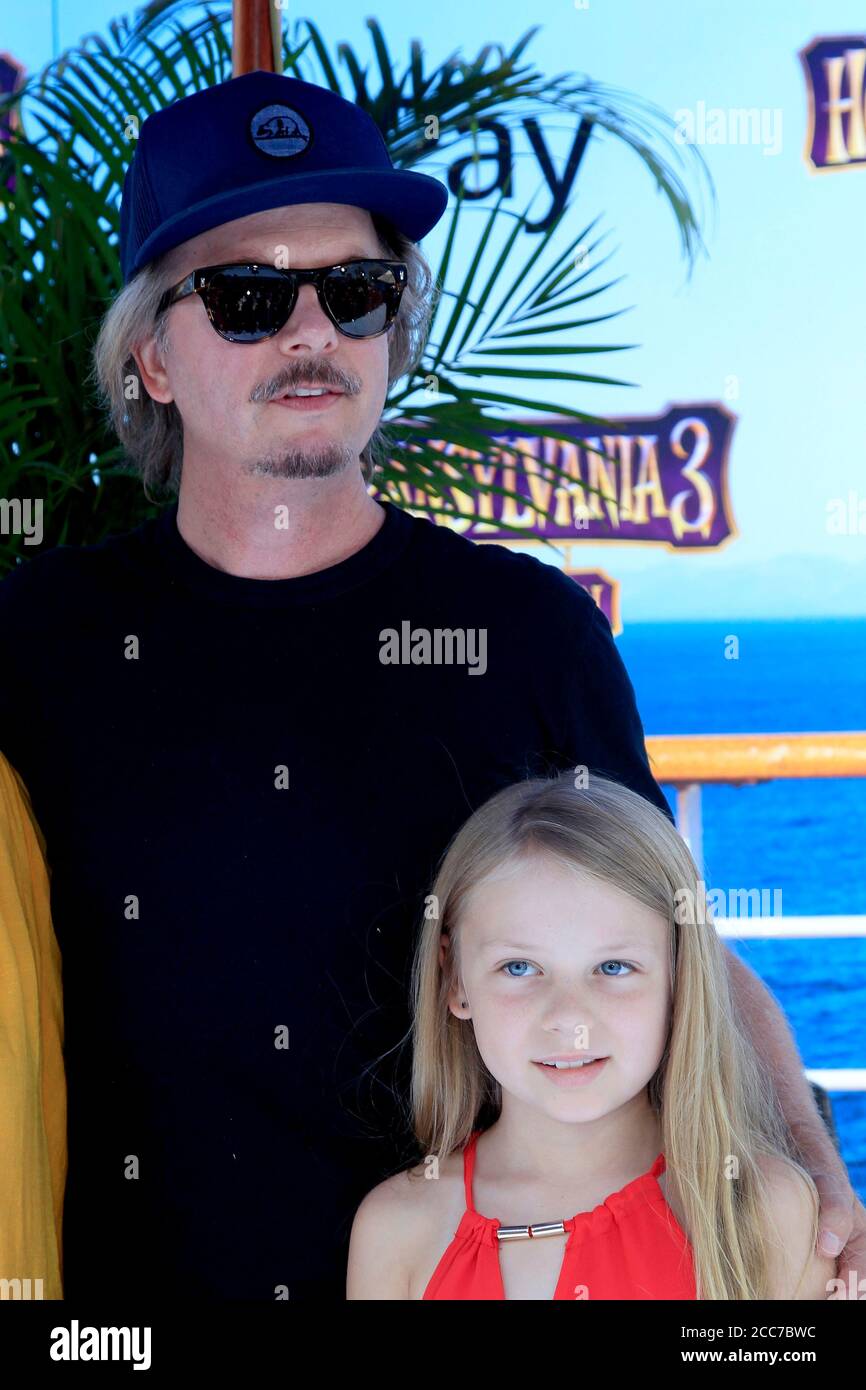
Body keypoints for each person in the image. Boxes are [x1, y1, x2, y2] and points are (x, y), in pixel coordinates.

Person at [0, 70, 861, 1301]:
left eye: (355, 293)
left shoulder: (525, 631)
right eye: (247, 297)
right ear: (147, 355)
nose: (311, 335)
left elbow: (672, 939)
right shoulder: (42, 635)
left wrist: (816, 1167)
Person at [347, 771, 839, 1300]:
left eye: (612, 967)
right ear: (456, 979)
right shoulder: (397, 1231)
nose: (568, 1017)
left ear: (682, 976)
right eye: (519, 967)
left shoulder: (762, 1214)